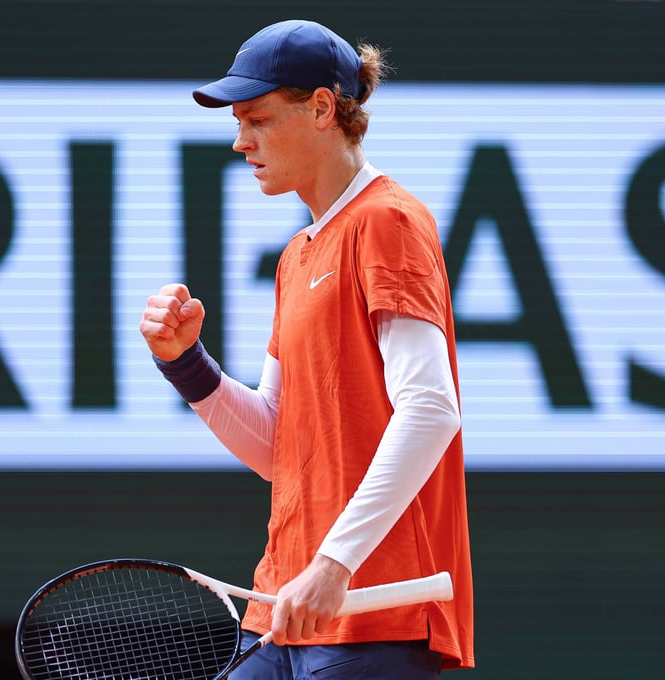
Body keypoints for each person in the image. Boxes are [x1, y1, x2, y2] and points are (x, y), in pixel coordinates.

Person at [139, 19, 474, 678]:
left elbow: (432, 409)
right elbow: (276, 447)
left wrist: (334, 563)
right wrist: (187, 364)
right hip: (282, 609)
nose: (241, 142)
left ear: (323, 108)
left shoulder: (388, 221)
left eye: (258, 119)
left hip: (372, 616)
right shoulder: (297, 255)